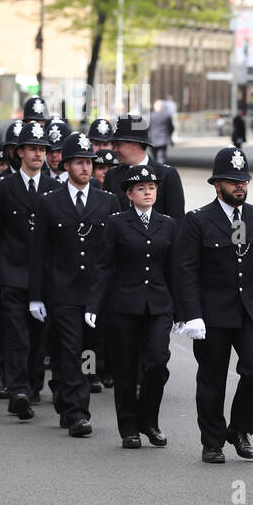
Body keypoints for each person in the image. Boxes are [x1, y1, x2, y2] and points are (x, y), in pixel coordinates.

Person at [176, 146, 253, 464]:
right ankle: (212, 440)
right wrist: (191, 314)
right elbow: (186, 271)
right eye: (233, 181)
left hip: (251, 311)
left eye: (243, 181)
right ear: (217, 183)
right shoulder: (197, 221)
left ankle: (240, 428)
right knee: (212, 379)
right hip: (212, 314)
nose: (240, 187)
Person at [27, 131, 120, 438]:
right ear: (66, 165)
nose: (85, 168)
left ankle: (70, 403)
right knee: (70, 350)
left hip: (96, 292)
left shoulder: (108, 201)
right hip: (62, 290)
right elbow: (38, 252)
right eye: (79, 162)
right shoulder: (49, 202)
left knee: (88, 352)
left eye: (89, 163)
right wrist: (35, 296)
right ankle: (78, 411)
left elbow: (114, 252)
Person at [86, 165, 180, 450]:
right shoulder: (116, 223)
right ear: (129, 194)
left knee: (156, 363)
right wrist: (93, 304)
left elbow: (175, 270)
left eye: (152, 187)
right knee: (125, 369)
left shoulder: (168, 224)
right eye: (141, 188)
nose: (148, 192)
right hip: (123, 305)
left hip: (159, 305)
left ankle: (149, 421)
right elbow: (105, 266)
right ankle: (129, 427)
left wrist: (185, 313)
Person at [0, 117, 59, 421]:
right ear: (19, 152)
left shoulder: (55, 188)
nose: (38, 154)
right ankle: (18, 389)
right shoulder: (3, 188)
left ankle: (32, 383)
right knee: (17, 334)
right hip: (12, 271)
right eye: (32, 148)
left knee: (39, 337)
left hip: (45, 276)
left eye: (42, 149)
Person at [105, 114, 186, 219]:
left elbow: (177, 220)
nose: (115, 149)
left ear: (134, 144)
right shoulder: (112, 175)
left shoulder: (167, 175)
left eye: (118, 144)